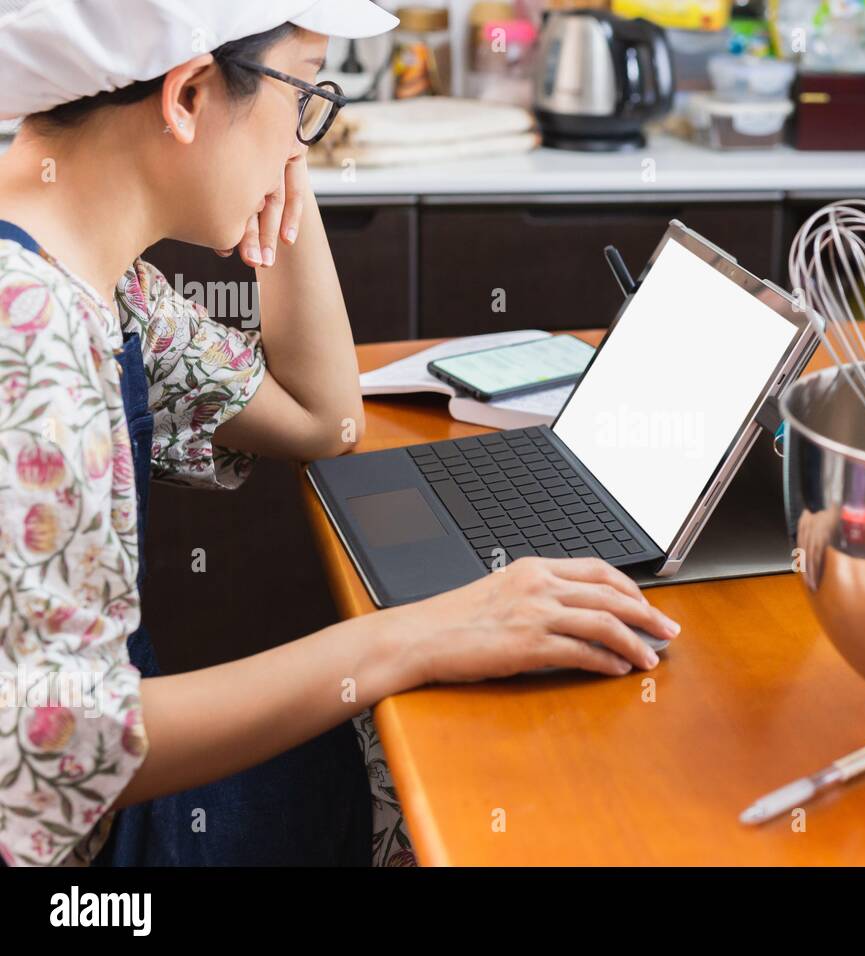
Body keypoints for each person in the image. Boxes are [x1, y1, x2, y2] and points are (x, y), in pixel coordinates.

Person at [0, 0, 678, 867]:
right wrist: (416, 635)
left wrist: (275, 160)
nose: (306, 140)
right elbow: (65, 755)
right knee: (466, 784)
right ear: (188, 96)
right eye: (303, 98)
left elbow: (328, 418)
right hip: (92, 857)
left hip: (117, 798)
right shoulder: (32, 336)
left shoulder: (104, 281)